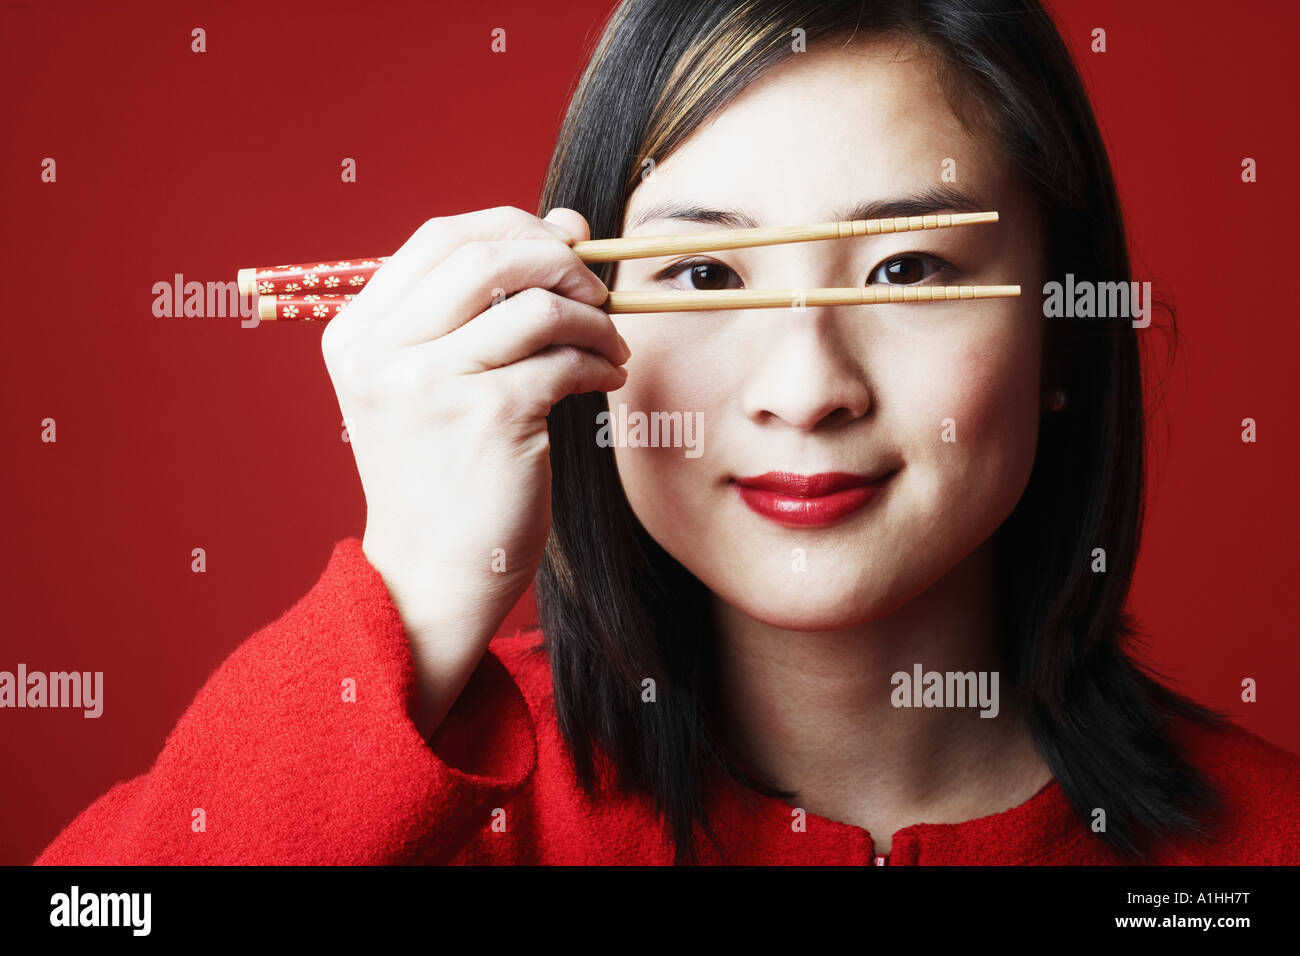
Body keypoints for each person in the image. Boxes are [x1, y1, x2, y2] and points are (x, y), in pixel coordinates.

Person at [35, 0, 1300, 866]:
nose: (805, 388)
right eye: (704, 275)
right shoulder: (427, 807)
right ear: (577, 313)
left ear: (1061, 333)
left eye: (909, 270)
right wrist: (409, 596)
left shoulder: (1252, 844)